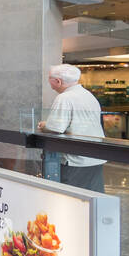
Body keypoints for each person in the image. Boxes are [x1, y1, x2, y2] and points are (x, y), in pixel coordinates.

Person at [39, 64, 106, 193]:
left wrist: (44, 125)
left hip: (75, 158)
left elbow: (56, 127)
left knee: (73, 196)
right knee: (92, 195)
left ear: (58, 81)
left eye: (49, 79)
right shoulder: (88, 95)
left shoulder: (64, 98)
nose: (49, 83)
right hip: (95, 155)